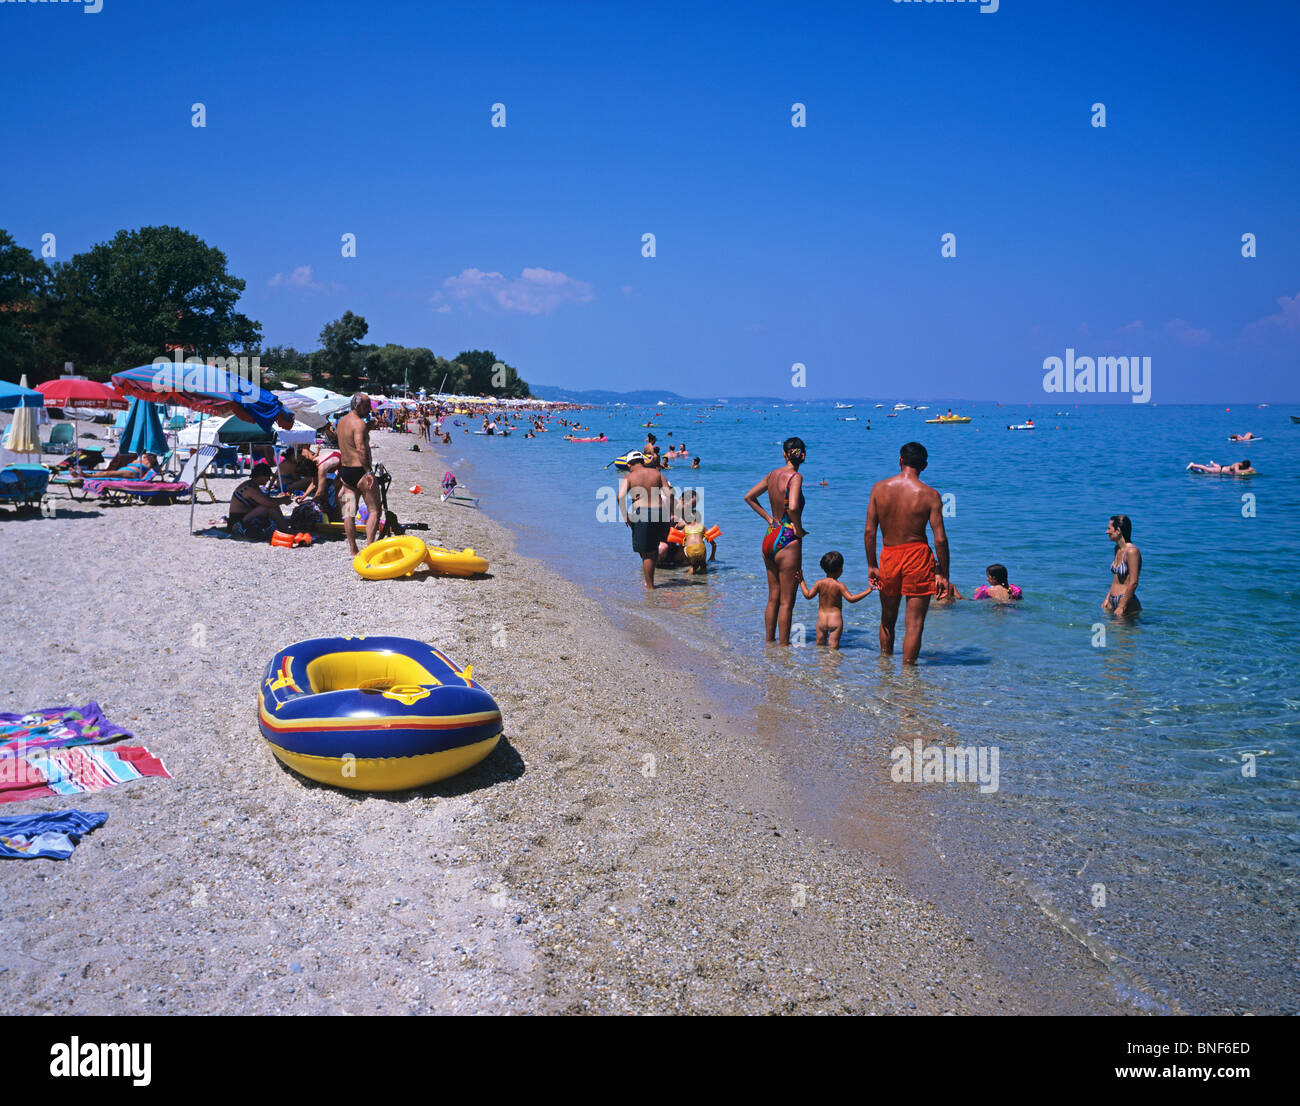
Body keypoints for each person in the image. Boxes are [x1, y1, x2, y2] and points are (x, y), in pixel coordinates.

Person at [864, 441, 950, 664]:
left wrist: (872, 564)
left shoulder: (879, 488)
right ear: (925, 466)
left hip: (889, 555)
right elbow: (939, 539)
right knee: (914, 624)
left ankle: (885, 668)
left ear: (900, 461)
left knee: (887, 619)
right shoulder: (930, 495)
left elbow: (869, 531)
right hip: (918, 557)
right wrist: (944, 574)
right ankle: (908, 678)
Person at [744, 436, 807, 645]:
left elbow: (749, 497)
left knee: (773, 597)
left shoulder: (772, 475)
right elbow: (794, 507)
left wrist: (769, 518)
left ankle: (769, 642)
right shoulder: (795, 477)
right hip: (788, 538)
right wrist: (798, 528)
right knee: (787, 602)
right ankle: (784, 648)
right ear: (802, 455)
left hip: (770, 535)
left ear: (784, 453)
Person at [617, 452, 673, 589]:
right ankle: (650, 581)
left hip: (642, 513)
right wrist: (671, 513)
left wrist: (625, 516)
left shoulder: (629, 477)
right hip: (659, 512)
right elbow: (669, 493)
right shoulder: (657, 473)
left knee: (646, 551)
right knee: (652, 549)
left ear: (629, 464)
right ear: (642, 461)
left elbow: (620, 497)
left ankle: (650, 587)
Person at [337, 393, 382, 554]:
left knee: (348, 512)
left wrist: (367, 429)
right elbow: (360, 448)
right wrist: (368, 471)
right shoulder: (359, 424)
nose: (369, 409)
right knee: (375, 510)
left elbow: (347, 442)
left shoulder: (341, 422)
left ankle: (353, 549)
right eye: (367, 406)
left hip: (346, 470)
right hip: (361, 471)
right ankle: (369, 548)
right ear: (358, 406)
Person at [798, 551, 872, 648]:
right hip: (835, 620)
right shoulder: (839, 586)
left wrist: (801, 580)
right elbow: (851, 599)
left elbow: (807, 595)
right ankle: (833, 662)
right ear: (840, 569)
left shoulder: (819, 583)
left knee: (819, 646)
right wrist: (868, 590)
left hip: (822, 619)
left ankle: (819, 663)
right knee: (833, 648)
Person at [227, 462, 292, 539]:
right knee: (269, 507)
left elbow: (267, 500)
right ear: (261, 476)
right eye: (268, 477)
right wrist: (283, 500)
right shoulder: (250, 488)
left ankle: (285, 529)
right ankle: (286, 531)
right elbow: (268, 503)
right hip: (237, 523)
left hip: (244, 517)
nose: (268, 479)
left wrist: (282, 500)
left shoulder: (252, 485)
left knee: (273, 505)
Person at [1102, 514, 1142, 615]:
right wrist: (1107, 598)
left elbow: (1133, 582)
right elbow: (1116, 578)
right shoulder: (1118, 549)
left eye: (1109, 529)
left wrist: (1121, 606)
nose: (1106, 532)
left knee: (1127, 631)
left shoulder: (1132, 552)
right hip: (1112, 600)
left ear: (1118, 531)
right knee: (1109, 630)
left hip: (1125, 602)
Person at [1186, 459, 1255, 475]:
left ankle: (1212, 463)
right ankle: (1193, 464)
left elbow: (1253, 470)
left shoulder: (1244, 467)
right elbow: (1237, 472)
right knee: (1207, 469)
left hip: (1222, 467)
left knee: (1215, 466)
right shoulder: (1237, 464)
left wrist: (1252, 470)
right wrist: (1248, 470)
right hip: (1220, 470)